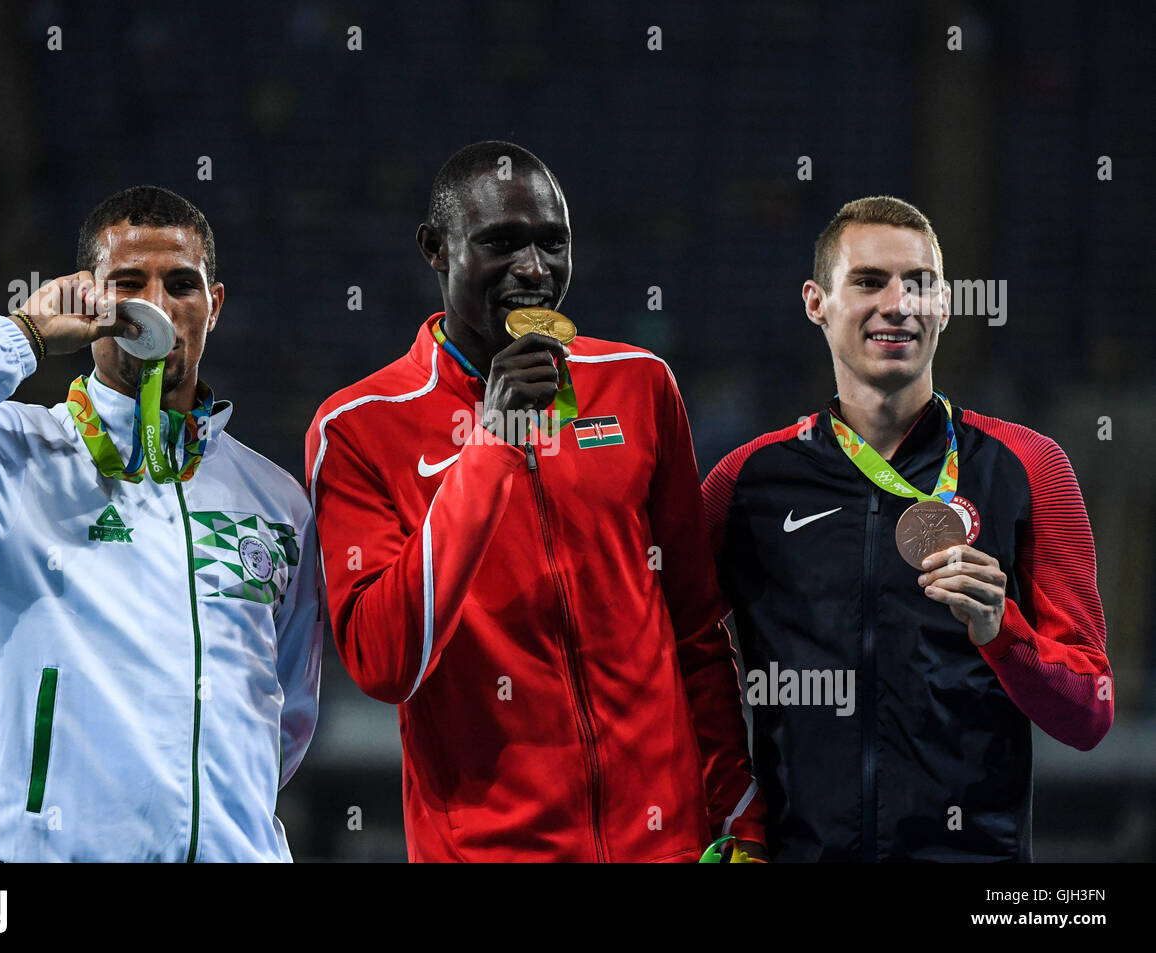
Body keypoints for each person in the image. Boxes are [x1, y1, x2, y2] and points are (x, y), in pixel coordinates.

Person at [307, 141, 764, 862]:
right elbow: (383, 660)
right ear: (435, 247)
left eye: (554, 243)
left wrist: (743, 817)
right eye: (501, 243)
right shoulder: (360, 425)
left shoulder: (639, 386)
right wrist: (491, 444)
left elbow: (698, 635)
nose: (533, 268)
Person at [0, 185, 323, 861]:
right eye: (128, 283)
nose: (156, 306)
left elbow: (284, 718)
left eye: (181, 284)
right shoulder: (11, 458)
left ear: (213, 306)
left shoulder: (277, 500)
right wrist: (21, 338)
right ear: (91, 301)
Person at [702, 195, 1112, 861]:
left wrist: (1001, 632)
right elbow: (682, 659)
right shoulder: (745, 484)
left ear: (944, 306)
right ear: (816, 302)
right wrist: (735, 807)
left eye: (919, 283)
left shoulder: (1030, 467)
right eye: (868, 281)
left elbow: (1090, 713)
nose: (898, 303)